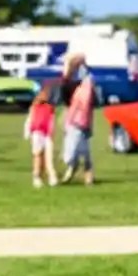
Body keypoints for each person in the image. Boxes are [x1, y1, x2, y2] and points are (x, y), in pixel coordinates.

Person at [60, 54, 96, 186]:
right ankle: (80, 171)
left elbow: (90, 101)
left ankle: (84, 172)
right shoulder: (72, 84)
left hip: (81, 120)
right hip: (74, 119)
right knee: (79, 149)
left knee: (81, 149)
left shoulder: (86, 84)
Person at [23, 88, 59, 189]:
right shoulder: (34, 107)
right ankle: (37, 176)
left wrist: (52, 132)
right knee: (38, 155)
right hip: (37, 133)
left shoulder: (49, 108)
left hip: (47, 134)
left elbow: (51, 121)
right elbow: (30, 120)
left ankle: (51, 176)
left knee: (49, 156)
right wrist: (27, 133)